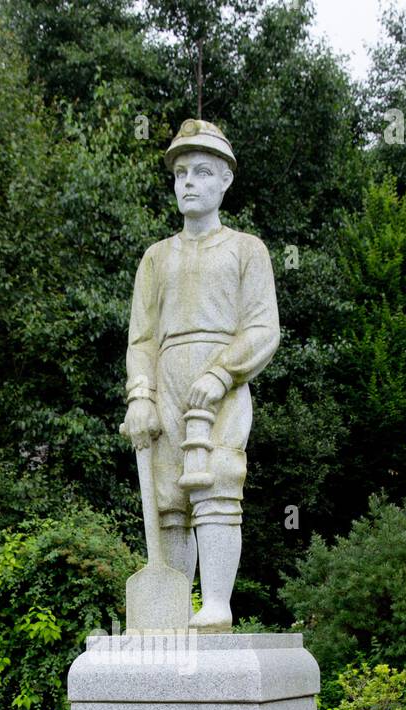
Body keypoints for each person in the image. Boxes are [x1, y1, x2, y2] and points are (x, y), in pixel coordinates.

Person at [123, 118, 280, 631]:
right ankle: (168, 607)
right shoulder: (155, 258)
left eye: (201, 172)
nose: (188, 182)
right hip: (167, 380)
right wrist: (140, 396)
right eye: (181, 172)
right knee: (169, 499)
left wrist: (221, 373)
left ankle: (215, 605)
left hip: (220, 386)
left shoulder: (247, 249)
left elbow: (262, 328)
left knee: (215, 483)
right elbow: (142, 337)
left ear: (225, 181)